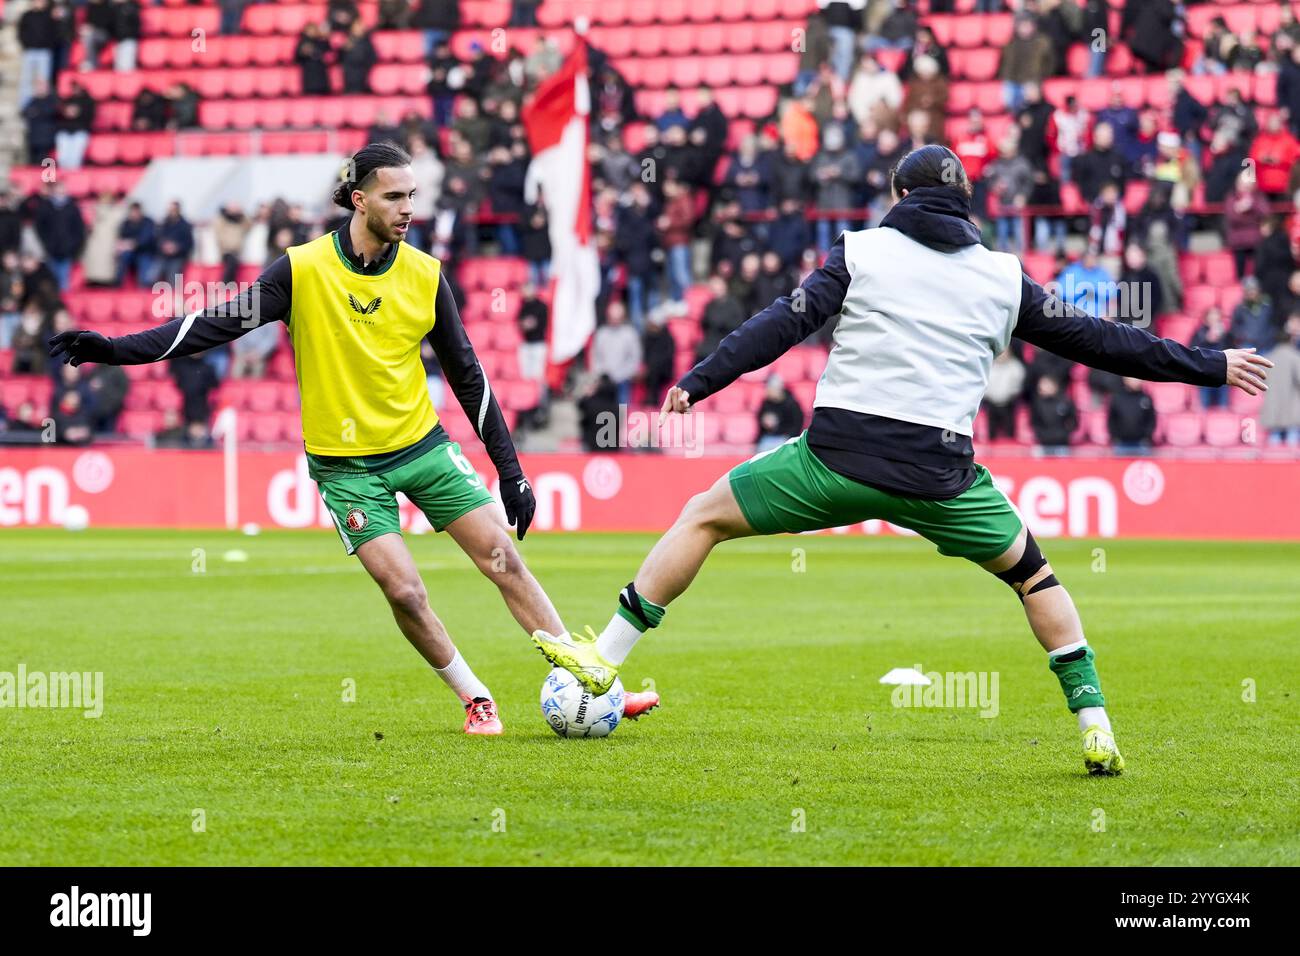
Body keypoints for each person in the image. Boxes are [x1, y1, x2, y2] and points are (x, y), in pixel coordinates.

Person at [532, 145, 1271, 777]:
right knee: (1034, 576)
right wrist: (1210, 364)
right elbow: (1109, 341)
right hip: (940, 475)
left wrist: (701, 380)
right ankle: (1095, 723)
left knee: (703, 518)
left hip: (834, 460)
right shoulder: (1005, 277)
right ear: (967, 202)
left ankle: (607, 657)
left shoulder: (859, 250)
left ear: (898, 195)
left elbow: (781, 324)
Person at [49, 142, 660, 735]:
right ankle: (475, 697)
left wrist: (512, 471)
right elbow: (214, 326)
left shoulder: (426, 275)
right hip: (347, 469)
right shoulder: (302, 269)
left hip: (422, 448)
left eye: (412, 196)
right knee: (405, 590)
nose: (408, 208)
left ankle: (594, 683)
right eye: (394, 196)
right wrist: (114, 350)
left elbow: (468, 376)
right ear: (359, 199)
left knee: (504, 561)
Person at [1260, 312, 1300, 446]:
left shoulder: (1269, 357)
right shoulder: (1295, 357)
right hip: (1292, 399)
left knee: (1274, 438)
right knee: (1292, 437)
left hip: (1273, 399)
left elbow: (1262, 380)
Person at [1107, 377, 1156, 455]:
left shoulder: (1146, 398)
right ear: (1125, 379)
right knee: (1119, 466)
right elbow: (1111, 419)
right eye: (1133, 378)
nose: (1136, 381)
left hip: (1141, 443)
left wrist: (1146, 436)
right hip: (1121, 443)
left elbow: (1152, 420)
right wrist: (1115, 436)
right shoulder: (1117, 398)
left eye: (1138, 378)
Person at [755, 375, 804, 452]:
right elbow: (760, 420)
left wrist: (789, 438)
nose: (767, 391)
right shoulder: (766, 403)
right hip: (768, 437)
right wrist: (764, 422)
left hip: (785, 437)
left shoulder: (791, 403)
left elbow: (797, 423)